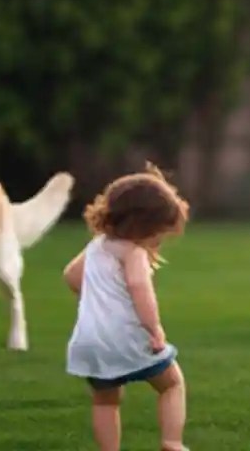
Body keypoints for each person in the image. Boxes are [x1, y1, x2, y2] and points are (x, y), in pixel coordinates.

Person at [63, 164, 191, 451]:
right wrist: (154, 328)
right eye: (159, 233)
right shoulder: (133, 252)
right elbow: (139, 289)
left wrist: (99, 300)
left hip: (90, 339)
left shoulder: (97, 246)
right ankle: (172, 442)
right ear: (143, 226)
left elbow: (71, 276)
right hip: (127, 336)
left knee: (106, 401)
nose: (160, 240)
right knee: (171, 383)